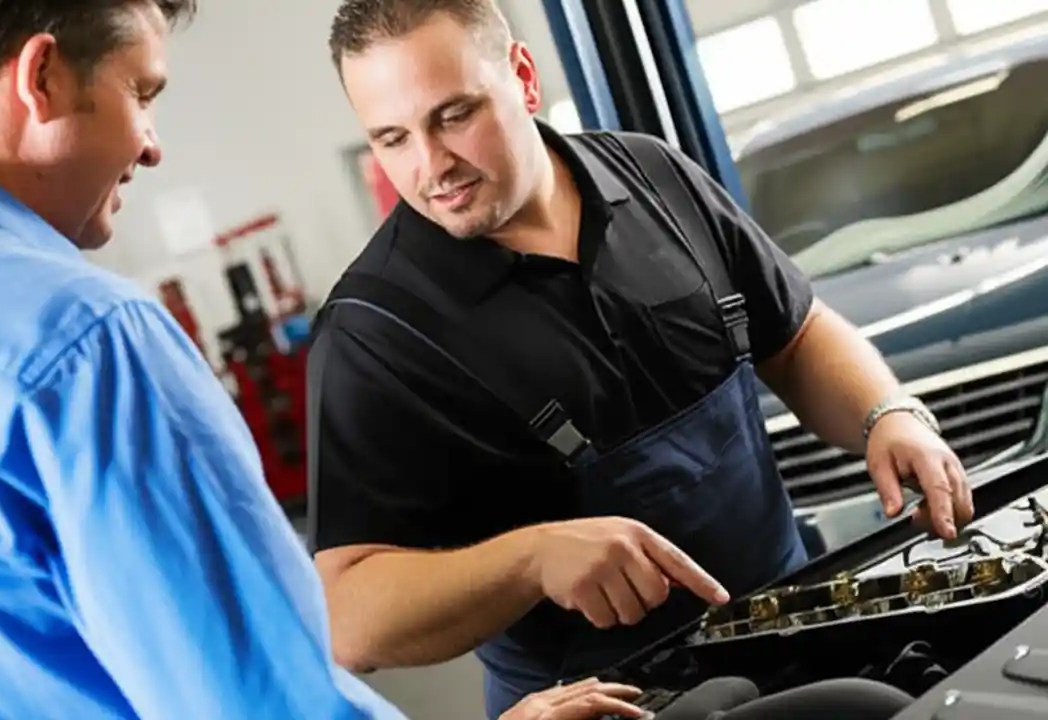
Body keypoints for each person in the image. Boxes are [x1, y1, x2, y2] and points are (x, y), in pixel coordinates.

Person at [0, 1, 646, 718]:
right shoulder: (84, 338)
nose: (151, 143)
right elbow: (260, 706)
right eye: (141, 93)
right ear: (40, 78)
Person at [308, 1, 976, 717]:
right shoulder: (373, 335)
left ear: (524, 79)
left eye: (454, 116)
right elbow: (349, 615)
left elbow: (798, 332)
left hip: (802, 622)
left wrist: (886, 414)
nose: (432, 165)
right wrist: (532, 559)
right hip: (612, 701)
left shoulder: (654, 176)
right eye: (392, 139)